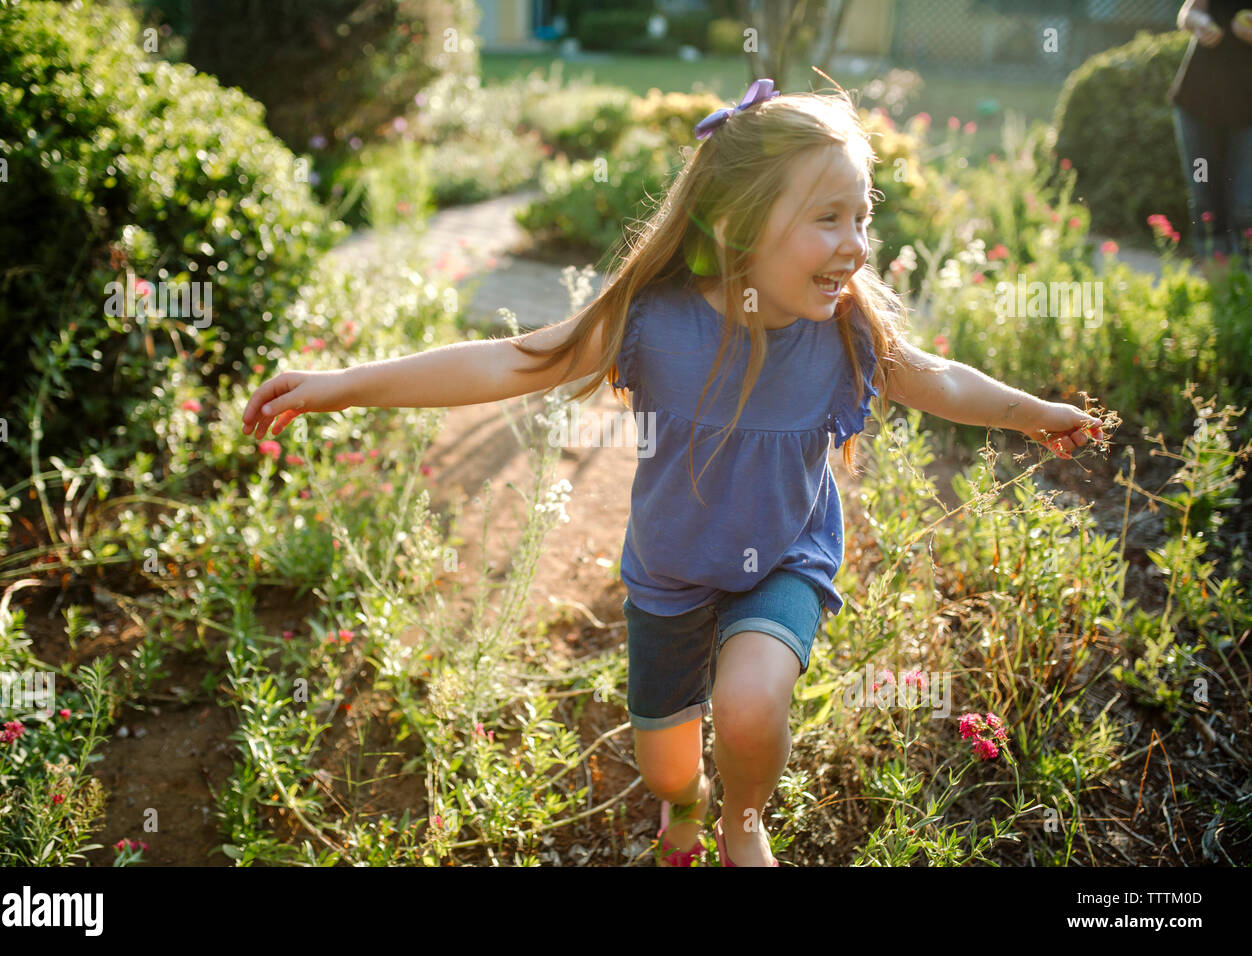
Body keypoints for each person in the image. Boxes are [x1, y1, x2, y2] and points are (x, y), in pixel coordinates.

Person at [239, 76, 1105, 867]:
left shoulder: (847, 328)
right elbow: (511, 361)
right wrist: (343, 388)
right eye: (828, 219)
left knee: (752, 704)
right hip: (669, 575)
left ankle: (745, 823)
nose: (856, 246)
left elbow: (942, 379)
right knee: (666, 769)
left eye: (863, 216)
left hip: (783, 559)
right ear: (736, 224)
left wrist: (1036, 414)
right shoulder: (652, 320)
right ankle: (686, 804)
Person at [1169, 0, 1252, 269]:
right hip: (1198, 101)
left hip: (1248, 108)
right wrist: (1200, 23)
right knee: (1205, 201)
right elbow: (1187, 13)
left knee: (1245, 203)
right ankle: (1216, 290)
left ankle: (1244, 288)